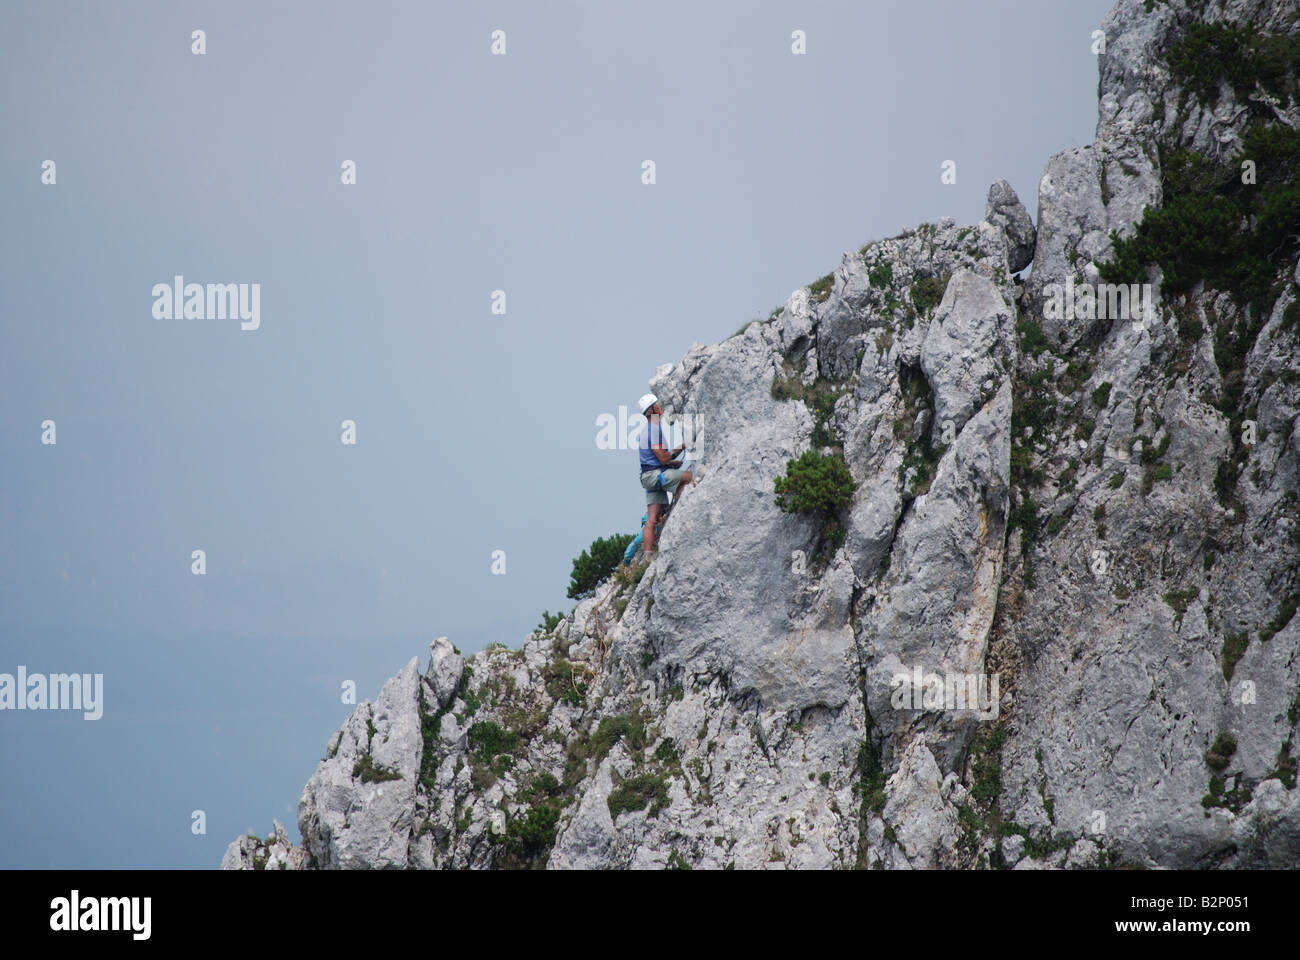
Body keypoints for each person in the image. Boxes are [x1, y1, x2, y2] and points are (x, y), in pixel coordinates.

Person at [635, 393, 692, 559]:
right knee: (688, 478)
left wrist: (671, 464)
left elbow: (655, 459)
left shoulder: (648, 429)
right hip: (656, 475)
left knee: (652, 518)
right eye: (657, 404)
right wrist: (682, 447)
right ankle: (683, 513)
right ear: (652, 410)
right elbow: (663, 457)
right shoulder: (653, 429)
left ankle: (647, 557)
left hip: (648, 476)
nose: (660, 406)